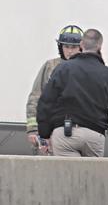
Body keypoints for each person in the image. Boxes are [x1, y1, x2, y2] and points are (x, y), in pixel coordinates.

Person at [36, 28, 108, 157]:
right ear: (100, 46)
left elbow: (46, 102)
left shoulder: (63, 69)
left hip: (66, 133)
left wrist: (44, 134)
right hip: (95, 134)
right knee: (92, 176)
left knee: (66, 175)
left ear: (81, 44)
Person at [26, 24, 83, 154]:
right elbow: (35, 98)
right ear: (60, 47)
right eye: (66, 46)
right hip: (50, 132)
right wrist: (33, 129)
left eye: (74, 47)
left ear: (81, 47)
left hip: (78, 132)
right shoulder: (50, 66)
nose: (69, 51)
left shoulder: (87, 69)